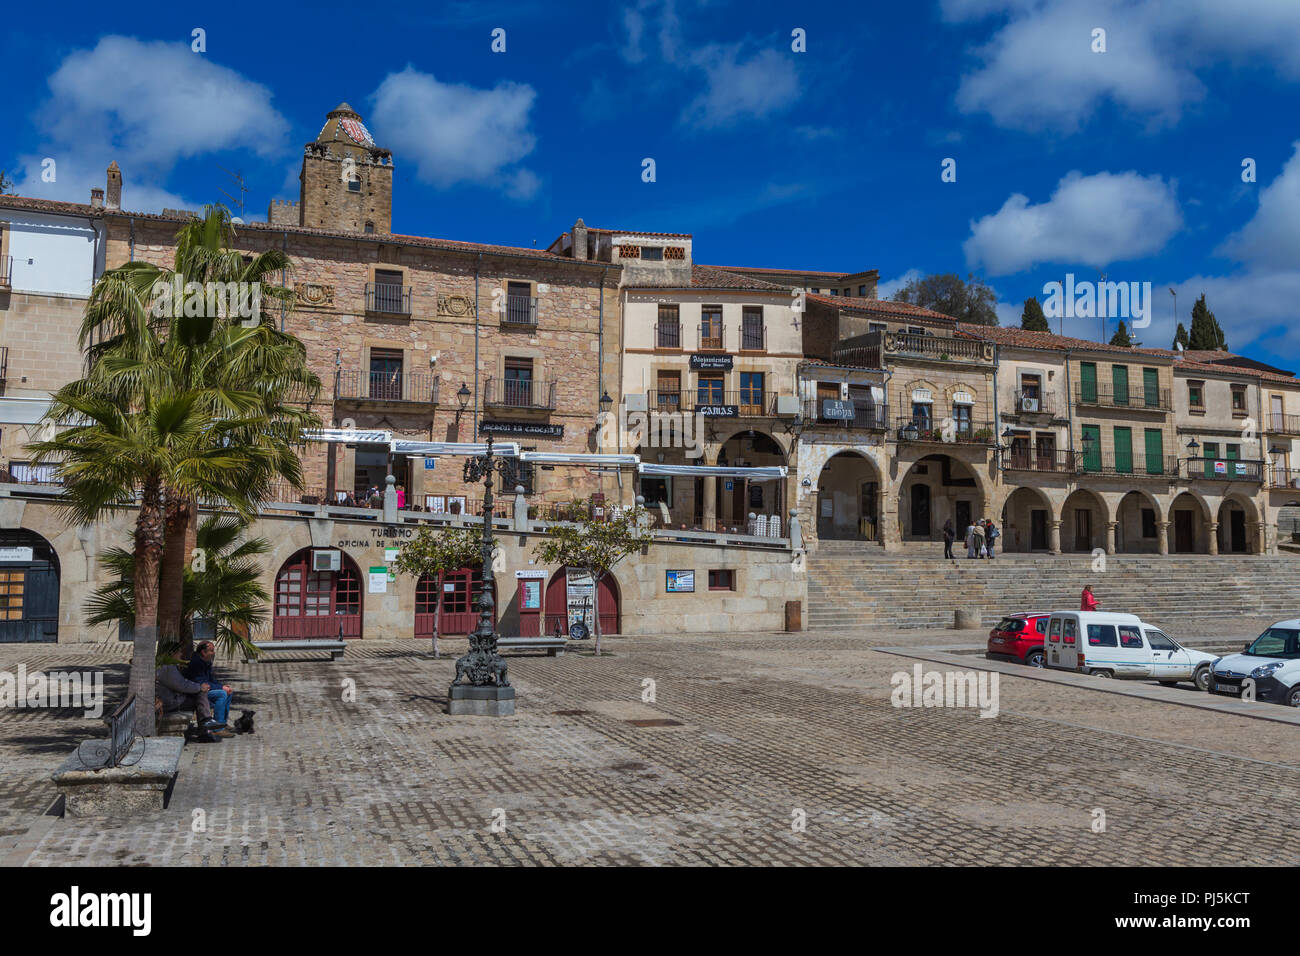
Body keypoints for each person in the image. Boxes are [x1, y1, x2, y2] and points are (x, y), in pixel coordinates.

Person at [185, 641, 235, 739]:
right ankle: (217, 730)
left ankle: (222, 723)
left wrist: (222, 686)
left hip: (205, 690)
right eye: (211, 651)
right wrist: (221, 688)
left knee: (228, 692)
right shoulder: (196, 663)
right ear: (203, 652)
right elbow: (202, 683)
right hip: (197, 693)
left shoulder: (206, 662)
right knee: (222, 694)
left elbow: (211, 679)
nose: (213, 653)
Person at [155, 663, 222, 730]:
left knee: (200, 695)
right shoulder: (166, 667)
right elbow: (181, 685)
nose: (181, 654)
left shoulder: (166, 666)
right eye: (179, 652)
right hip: (169, 703)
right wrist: (199, 687)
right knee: (200, 693)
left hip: (171, 699)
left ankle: (206, 724)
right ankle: (206, 721)